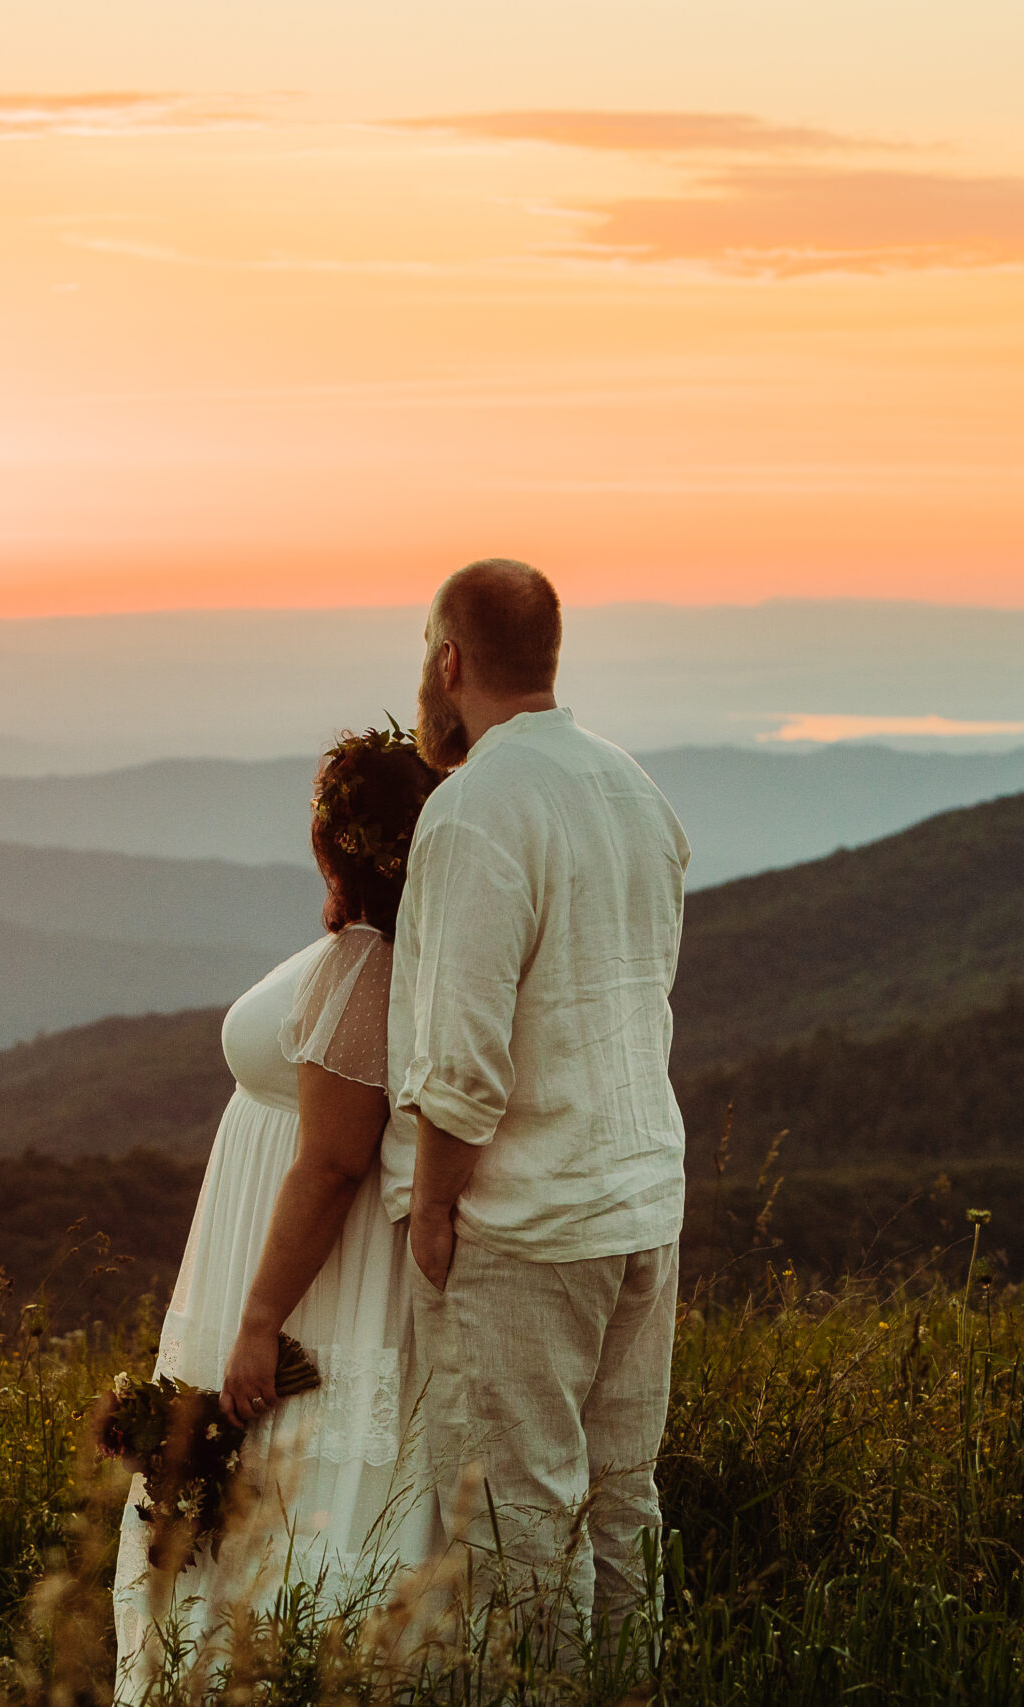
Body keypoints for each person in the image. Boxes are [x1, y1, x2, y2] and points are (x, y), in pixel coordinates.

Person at [387, 559, 691, 1663]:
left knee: (517, 1529)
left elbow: (462, 1059)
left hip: (526, 1225)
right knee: (620, 1503)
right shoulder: (632, 790)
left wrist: (430, 1213)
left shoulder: (474, 813)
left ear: (450, 660)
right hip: (640, 1199)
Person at [111, 726, 446, 1701]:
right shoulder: (365, 951)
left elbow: (335, 1162)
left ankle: (274, 1676)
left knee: (301, 1498)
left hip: (312, 1285)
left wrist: (259, 1321)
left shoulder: (366, 966)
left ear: (339, 840)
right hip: (284, 1266)